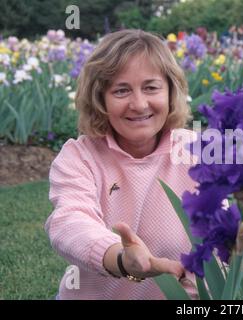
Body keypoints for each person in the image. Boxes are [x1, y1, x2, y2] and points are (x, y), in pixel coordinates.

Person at [45, 29, 198, 300]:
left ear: (171, 92)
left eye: (151, 87)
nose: (138, 104)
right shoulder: (79, 157)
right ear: (99, 98)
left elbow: (216, 247)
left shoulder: (197, 152)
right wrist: (120, 259)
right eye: (121, 90)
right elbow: (69, 222)